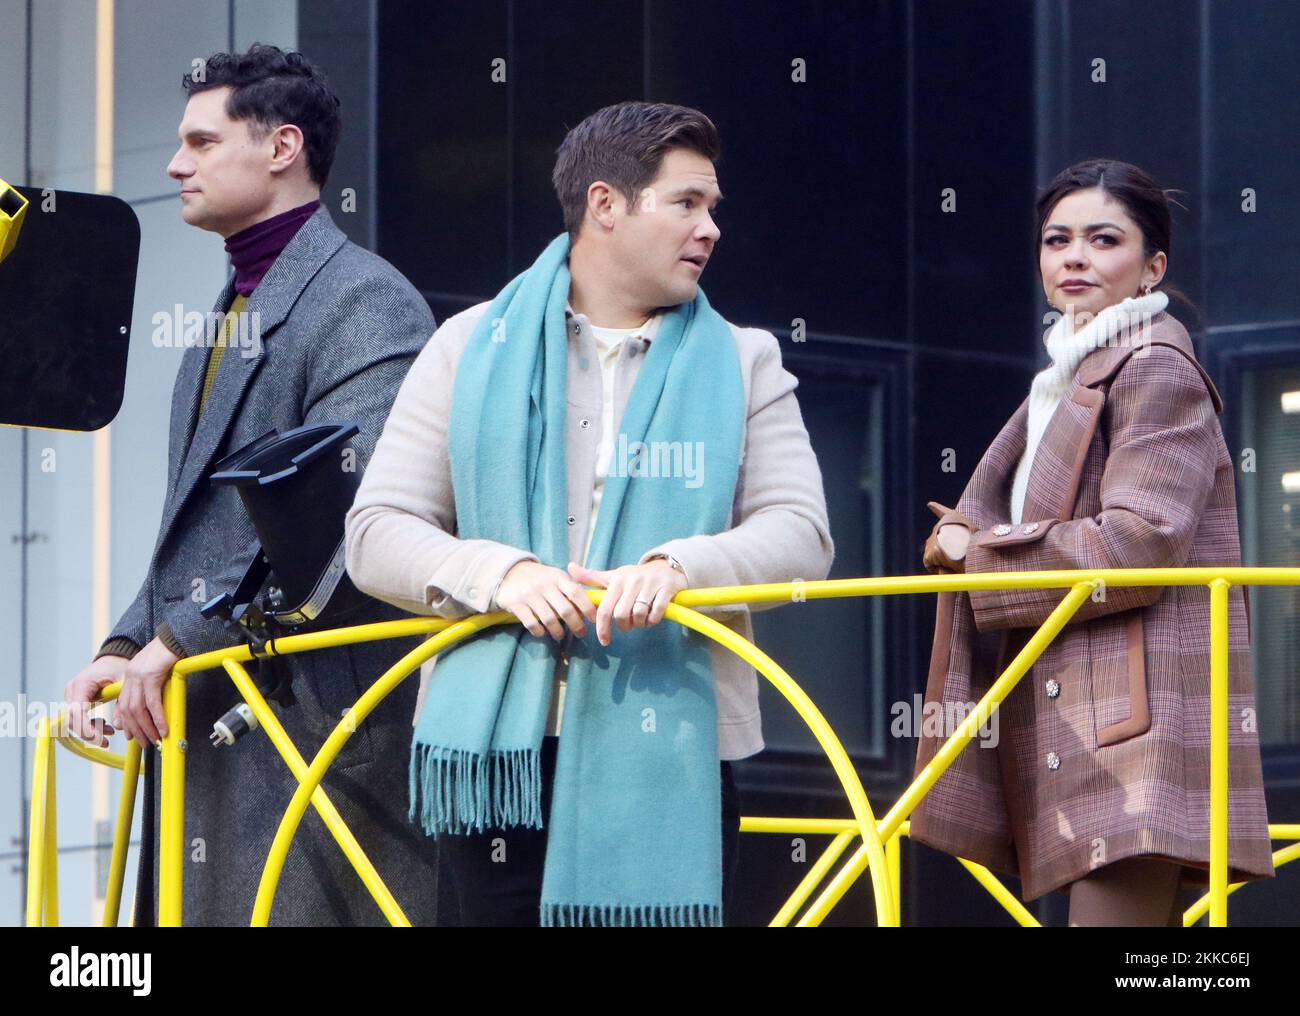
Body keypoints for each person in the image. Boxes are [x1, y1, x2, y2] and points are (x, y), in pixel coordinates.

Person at [345, 101, 833, 926]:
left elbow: (801, 533)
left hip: (675, 746)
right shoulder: (467, 347)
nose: (710, 228)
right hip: (497, 759)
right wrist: (499, 574)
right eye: (687, 203)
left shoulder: (747, 360)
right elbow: (376, 531)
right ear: (606, 205)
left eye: (712, 208)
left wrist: (681, 567)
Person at [62, 44, 440, 926]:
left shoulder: (365, 301)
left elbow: (348, 517)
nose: (173, 164)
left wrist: (183, 636)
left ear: (281, 148)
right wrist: (126, 645)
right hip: (229, 724)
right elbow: (201, 527)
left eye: (200, 140)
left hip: (311, 733)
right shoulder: (227, 315)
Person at [911, 159, 1275, 926]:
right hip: (1078, 712)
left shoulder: (1154, 369)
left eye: (1102, 239)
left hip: (1135, 722)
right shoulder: (1064, 379)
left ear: (1153, 268)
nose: (1073, 256)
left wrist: (975, 551)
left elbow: (1138, 543)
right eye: (1057, 240)